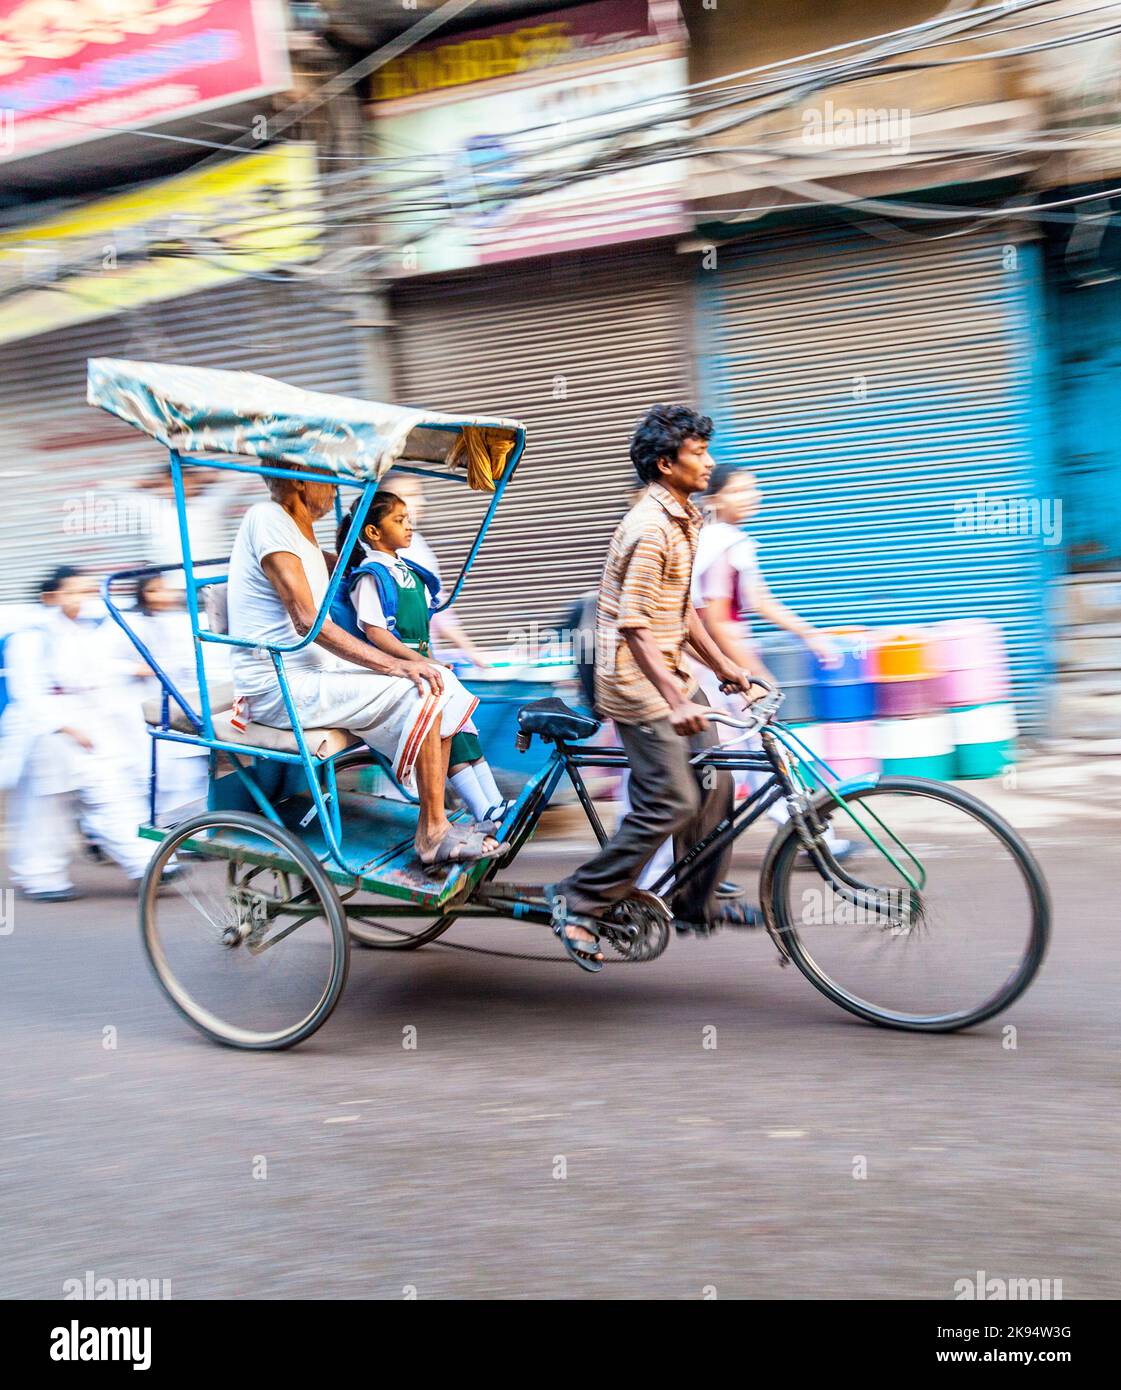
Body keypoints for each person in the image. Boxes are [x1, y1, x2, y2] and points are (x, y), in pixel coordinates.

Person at [546, 405, 762, 971]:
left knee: (717, 784)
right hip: (635, 685)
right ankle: (579, 900)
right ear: (666, 465)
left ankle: (695, 904)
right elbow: (634, 624)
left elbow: (683, 612)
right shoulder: (649, 527)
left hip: (670, 677)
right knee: (671, 799)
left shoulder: (685, 520)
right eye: (698, 454)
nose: (709, 464)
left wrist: (722, 669)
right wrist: (673, 699)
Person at [225, 465, 506, 867]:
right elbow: (307, 620)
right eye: (328, 478)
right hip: (281, 686)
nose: (335, 489)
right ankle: (432, 833)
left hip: (318, 675)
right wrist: (394, 665)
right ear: (301, 479)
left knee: (436, 679)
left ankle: (461, 812)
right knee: (421, 686)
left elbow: (343, 571)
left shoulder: (300, 534)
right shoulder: (268, 520)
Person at [331, 489, 514, 827]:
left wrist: (429, 658)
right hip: (399, 669)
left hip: (422, 661)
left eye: (408, 519)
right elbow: (376, 634)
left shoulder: (406, 570)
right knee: (448, 731)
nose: (409, 526)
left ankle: (495, 801)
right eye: (399, 520)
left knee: (463, 728)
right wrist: (417, 661)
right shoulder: (370, 577)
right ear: (372, 532)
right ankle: (482, 807)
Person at [0, 567, 165, 901]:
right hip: (47, 732)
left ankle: (146, 861)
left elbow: (99, 673)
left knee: (114, 793)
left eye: (83, 592)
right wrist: (64, 726)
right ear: (52, 596)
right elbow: (27, 691)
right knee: (47, 809)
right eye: (72, 592)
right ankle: (42, 876)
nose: (80, 599)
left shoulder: (85, 632)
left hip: (90, 722)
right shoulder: (30, 637)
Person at [103, 573, 223, 824]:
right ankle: (168, 830)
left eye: (165, 590)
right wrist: (135, 669)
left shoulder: (174, 622)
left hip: (177, 702)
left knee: (190, 773)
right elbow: (101, 663)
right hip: (139, 705)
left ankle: (192, 827)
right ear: (142, 594)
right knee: (158, 776)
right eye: (155, 591)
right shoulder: (124, 623)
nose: (164, 596)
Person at [379, 471, 493, 668]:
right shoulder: (378, 550)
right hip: (400, 660)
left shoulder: (418, 546)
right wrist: (470, 650)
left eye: (419, 494)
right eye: (411, 496)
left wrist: (470, 650)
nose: (421, 502)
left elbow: (436, 605)